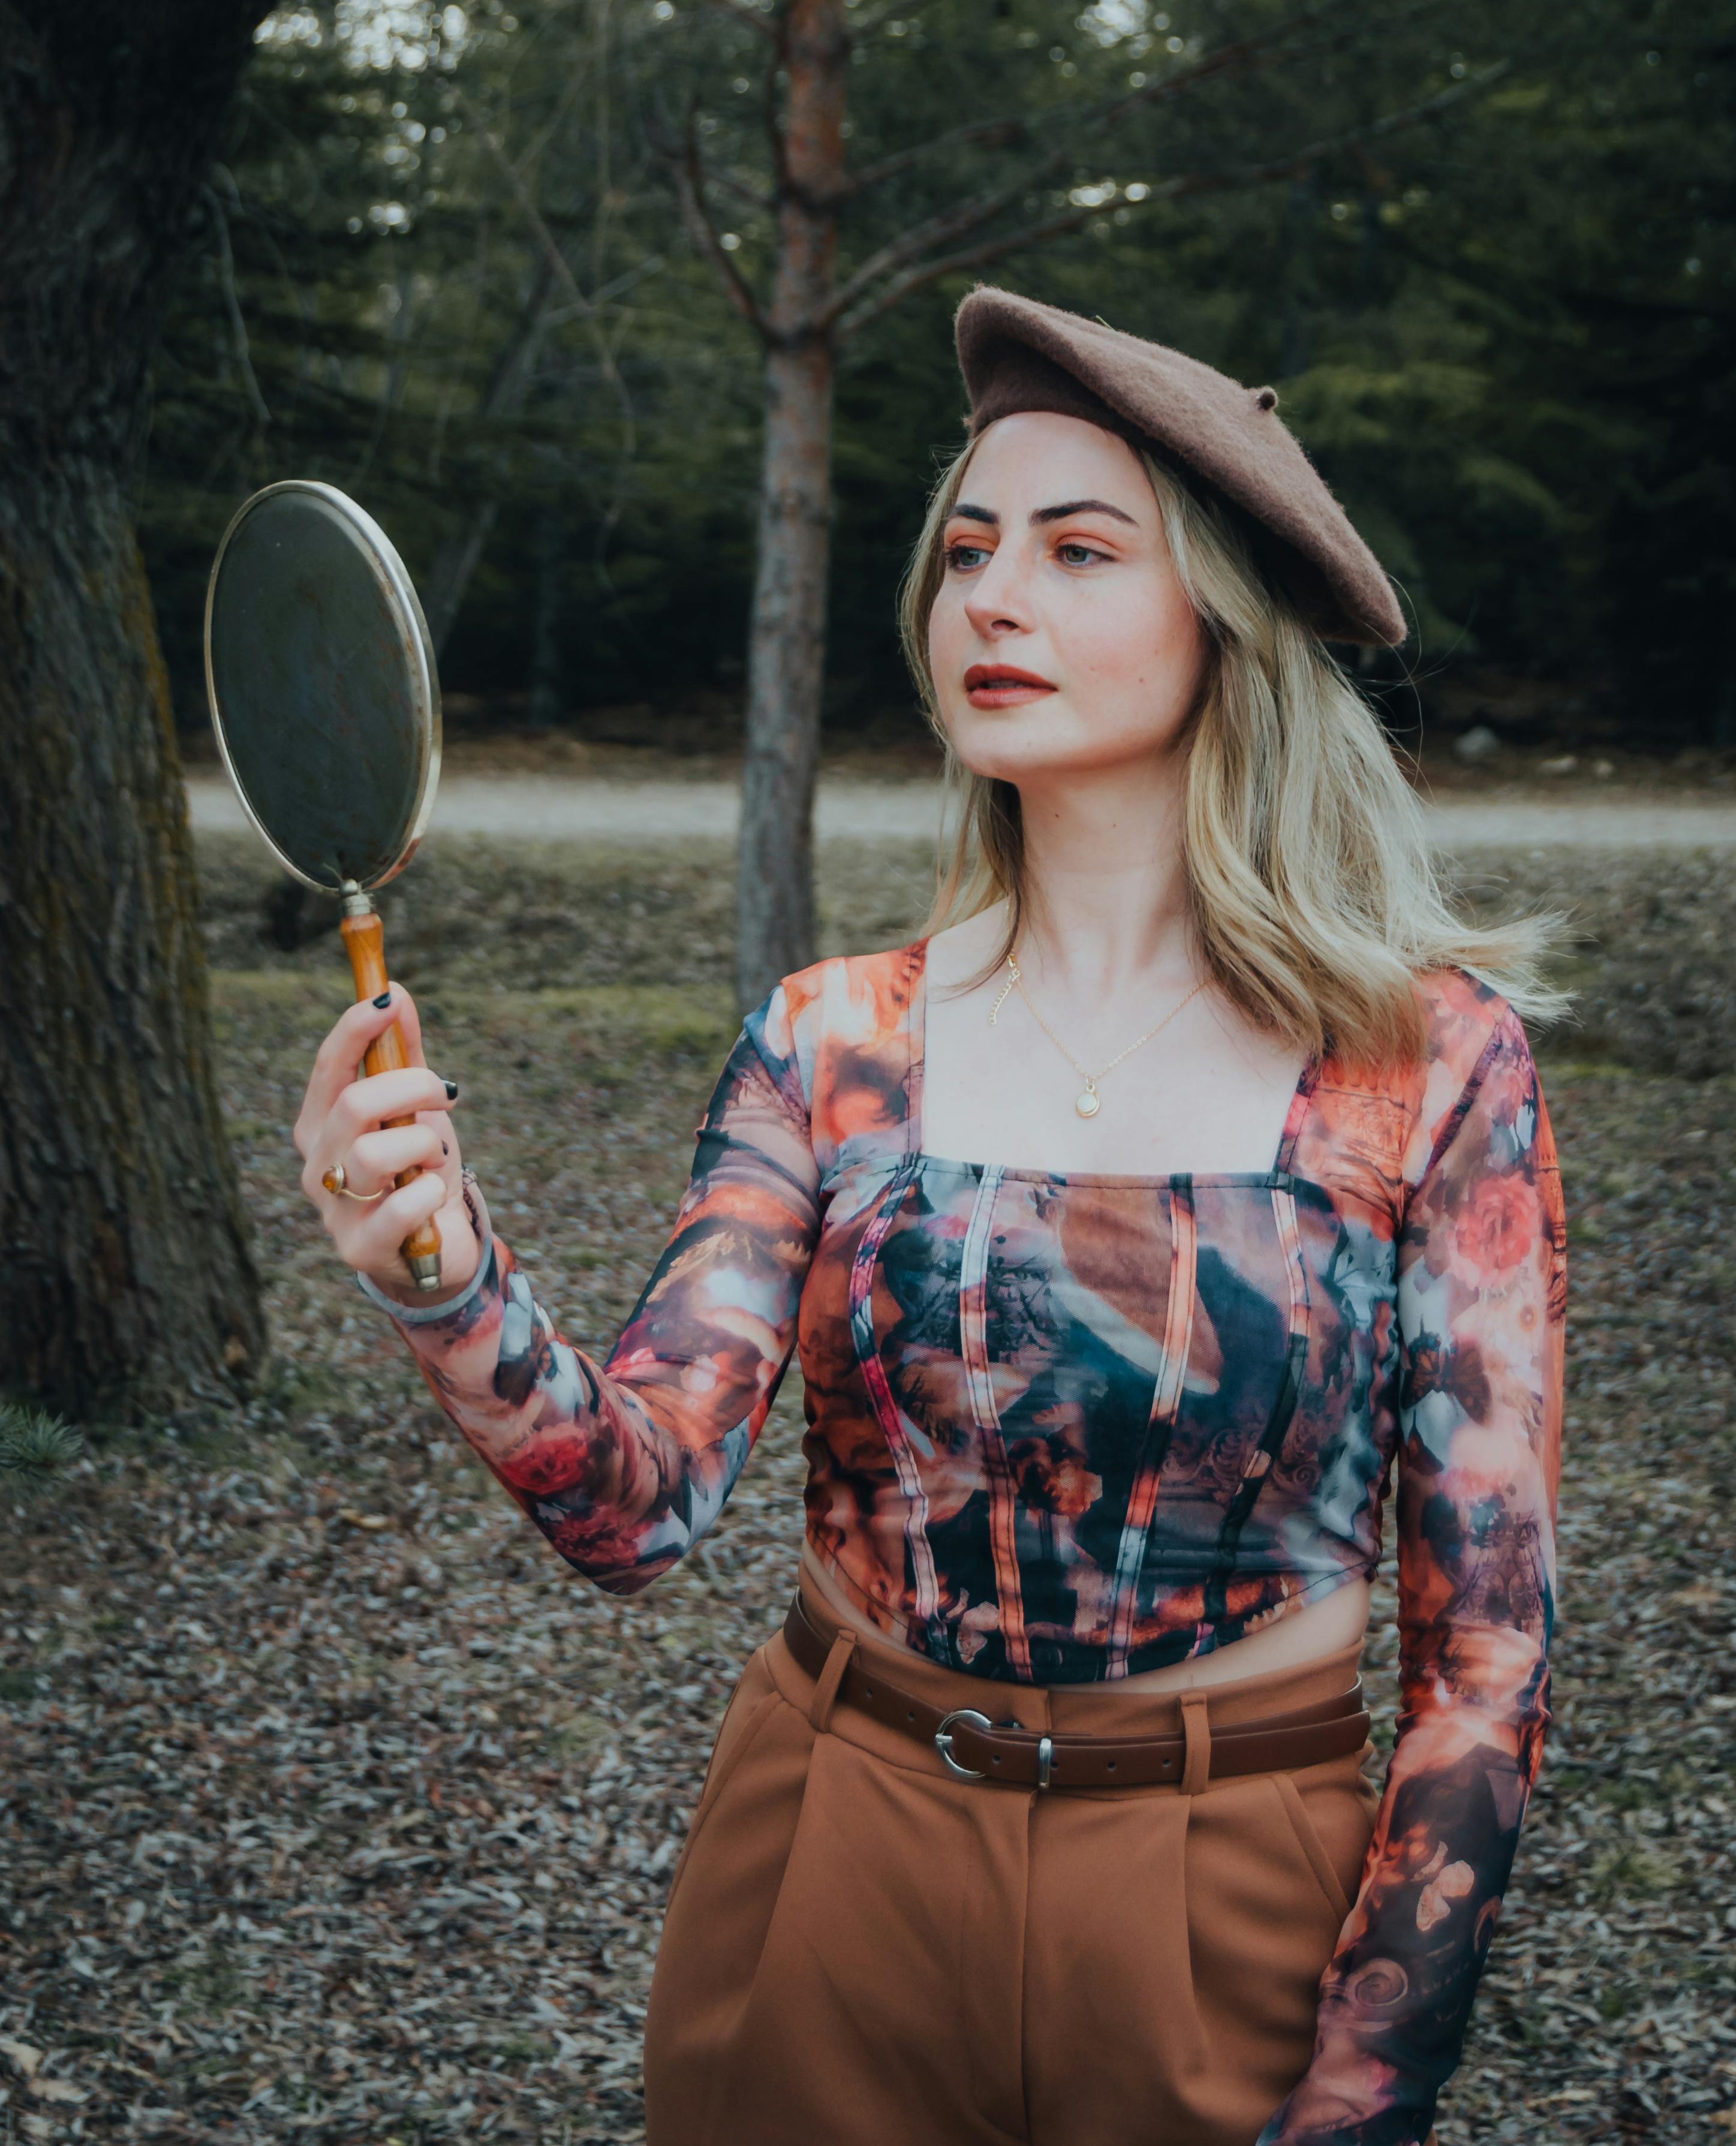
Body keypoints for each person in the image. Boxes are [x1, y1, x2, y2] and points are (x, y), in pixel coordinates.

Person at [294, 287, 1566, 2146]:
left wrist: (1369, 2079)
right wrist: (436, 1273)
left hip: (1227, 1892)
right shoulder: (836, 1041)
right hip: (833, 1852)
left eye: (1075, 549)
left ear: (1226, 612)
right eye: (968, 549)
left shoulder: (1430, 1066)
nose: (992, 595)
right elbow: (642, 1509)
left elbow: (1489, 1660)